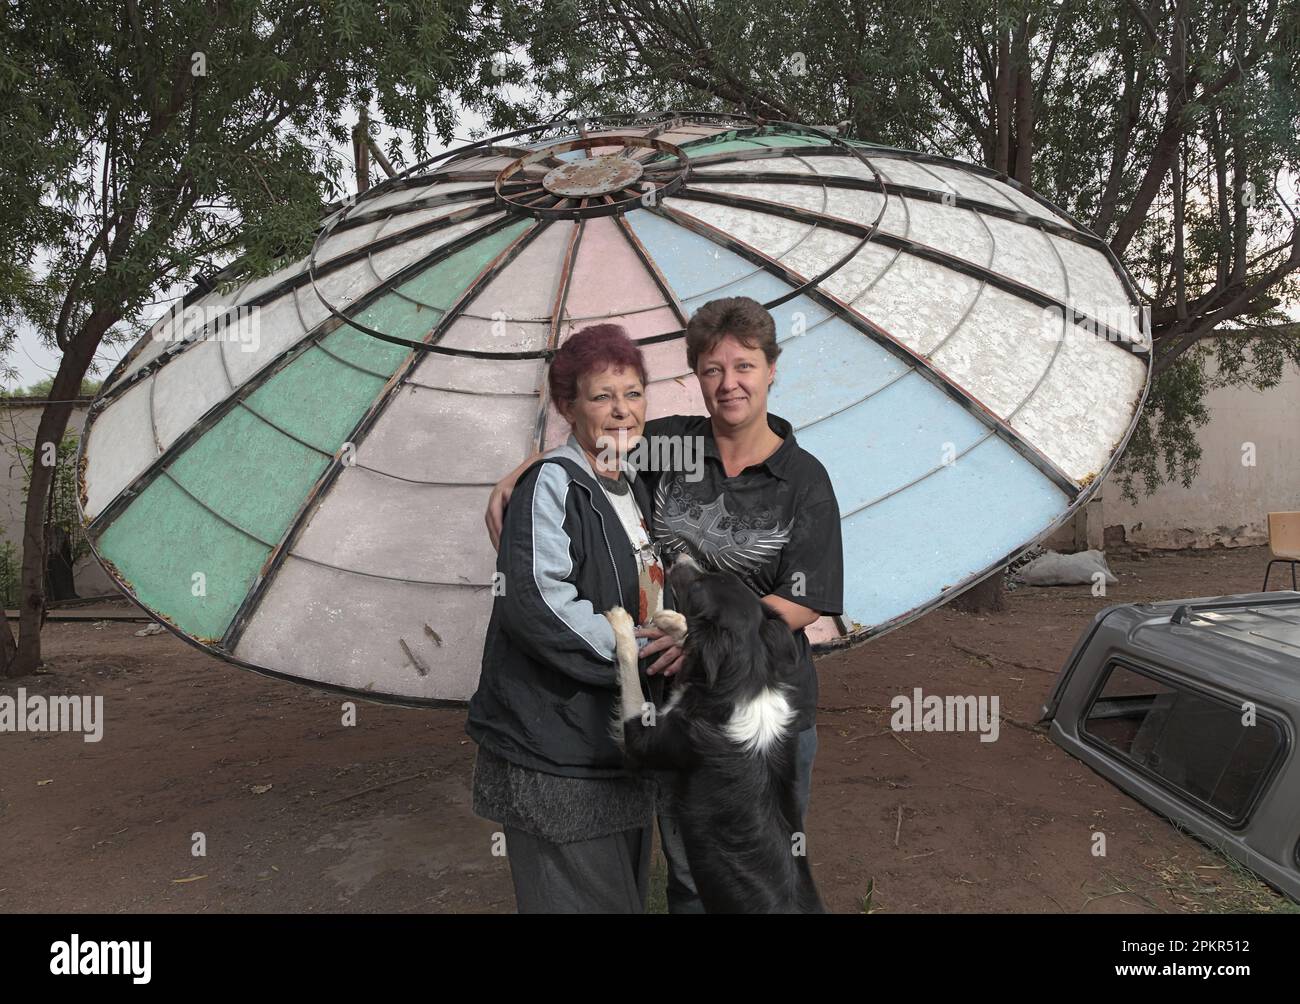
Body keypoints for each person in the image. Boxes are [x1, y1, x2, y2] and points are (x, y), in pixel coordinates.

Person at [486, 296, 844, 914]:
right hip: (686, 705)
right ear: (697, 377)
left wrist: (703, 639)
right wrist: (522, 473)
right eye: (712, 369)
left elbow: (806, 602)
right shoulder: (672, 444)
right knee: (690, 868)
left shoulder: (803, 479)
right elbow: (599, 440)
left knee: (757, 867)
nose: (729, 384)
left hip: (761, 709)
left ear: (772, 369)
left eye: (745, 366)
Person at [465, 323, 670, 913]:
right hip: (555, 746)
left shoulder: (631, 487)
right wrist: (635, 654)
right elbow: (536, 600)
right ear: (567, 406)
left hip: (614, 744)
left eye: (633, 393)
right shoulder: (551, 485)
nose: (621, 410)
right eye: (602, 395)